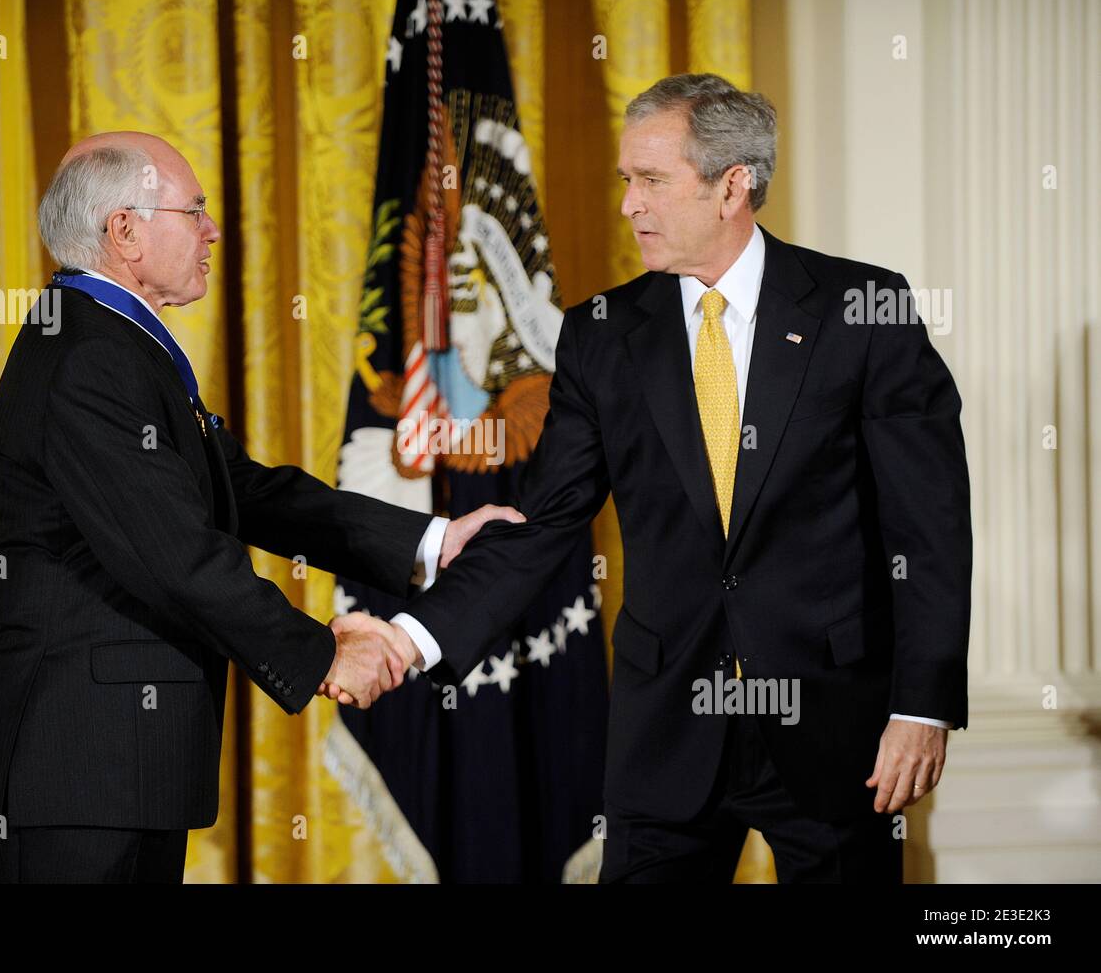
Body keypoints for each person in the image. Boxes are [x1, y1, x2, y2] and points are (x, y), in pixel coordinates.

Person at [330, 74, 972, 883]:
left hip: (834, 731)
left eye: (652, 181)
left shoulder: (863, 309)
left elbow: (931, 527)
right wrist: (412, 638)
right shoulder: (602, 335)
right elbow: (547, 526)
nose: (629, 204)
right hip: (666, 733)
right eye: (626, 181)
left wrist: (923, 707)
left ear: (732, 186)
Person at [0, 131, 520, 882]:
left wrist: (431, 539)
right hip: (76, 762)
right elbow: (176, 558)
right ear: (123, 230)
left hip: (115, 763)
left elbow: (248, 492)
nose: (212, 229)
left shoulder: (114, 342)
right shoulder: (92, 357)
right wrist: (325, 654)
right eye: (194, 210)